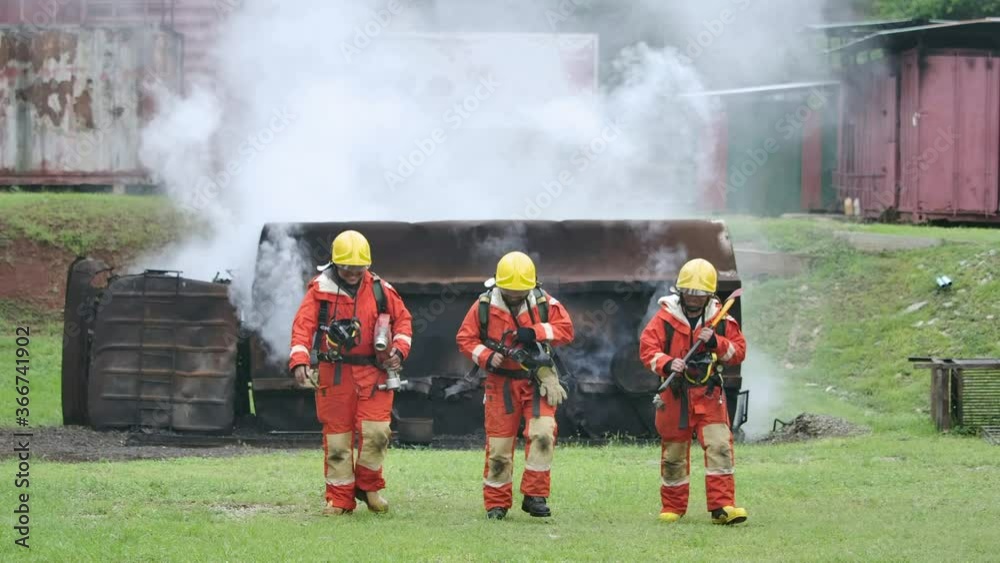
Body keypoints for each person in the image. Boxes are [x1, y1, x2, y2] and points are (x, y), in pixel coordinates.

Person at [288, 229, 413, 516]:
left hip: (374, 372)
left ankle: (368, 488)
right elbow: (302, 327)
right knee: (337, 440)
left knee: (377, 433)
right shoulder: (319, 291)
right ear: (336, 264)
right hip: (335, 374)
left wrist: (398, 350)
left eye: (359, 269)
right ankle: (339, 499)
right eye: (348, 268)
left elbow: (404, 321)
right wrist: (300, 360)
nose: (354, 274)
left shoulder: (381, 289)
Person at [455, 251, 574, 520]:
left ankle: (535, 495)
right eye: (510, 291)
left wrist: (536, 332)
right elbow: (465, 339)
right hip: (501, 384)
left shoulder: (543, 302)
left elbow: (566, 330)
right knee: (499, 447)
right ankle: (496, 503)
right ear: (499, 285)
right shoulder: (484, 305)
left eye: (520, 292)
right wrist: (487, 356)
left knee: (543, 434)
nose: (515, 295)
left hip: (538, 379)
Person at [638, 258, 748, 525]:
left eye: (700, 293)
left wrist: (716, 342)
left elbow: (738, 352)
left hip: (709, 395)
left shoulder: (721, 319)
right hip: (675, 396)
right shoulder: (665, 318)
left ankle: (722, 507)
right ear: (680, 291)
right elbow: (647, 350)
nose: (694, 298)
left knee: (720, 447)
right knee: (673, 453)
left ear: (709, 294)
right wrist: (667, 363)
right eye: (689, 292)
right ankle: (673, 507)